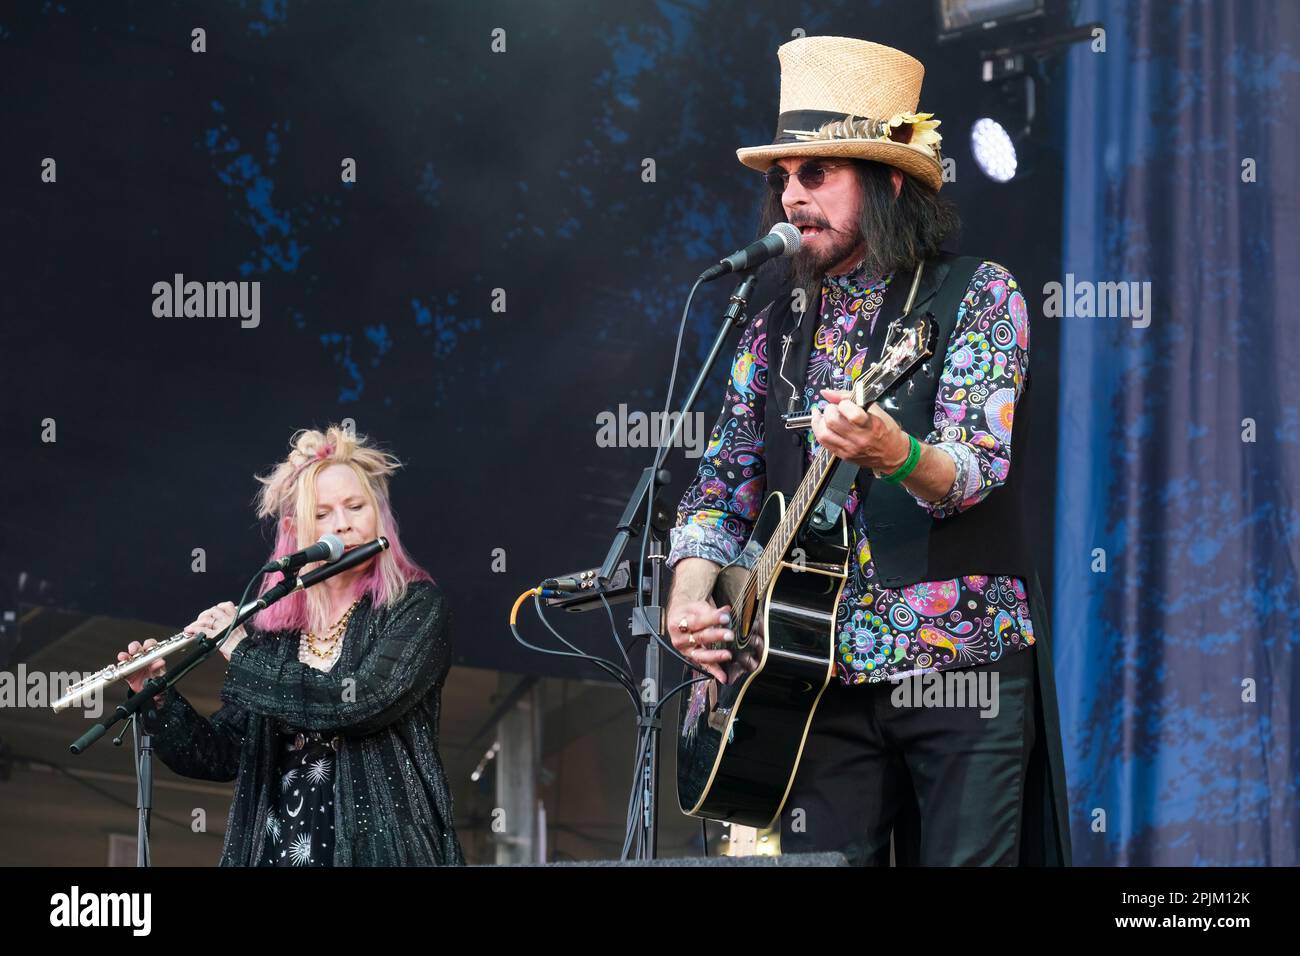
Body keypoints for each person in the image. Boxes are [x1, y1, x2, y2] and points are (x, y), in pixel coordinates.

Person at [665, 36, 1071, 865]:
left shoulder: (978, 295)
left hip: (959, 659)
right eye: (783, 177)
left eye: (816, 174)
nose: (790, 197)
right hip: (809, 679)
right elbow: (723, 482)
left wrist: (893, 451)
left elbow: (972, 472)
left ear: (887, 181)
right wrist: (692, 592)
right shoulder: (767, 320)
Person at [121, 425, 464, 866]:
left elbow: (359, 701)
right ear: (294, 530)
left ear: (378, 514)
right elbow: (221, 754)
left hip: (381, 851)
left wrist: (241, 653)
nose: (342, 523)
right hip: (278, 852)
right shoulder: (277, 636)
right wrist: (159, 695)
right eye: (322, 514)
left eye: (356, 507)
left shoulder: (416, 607)